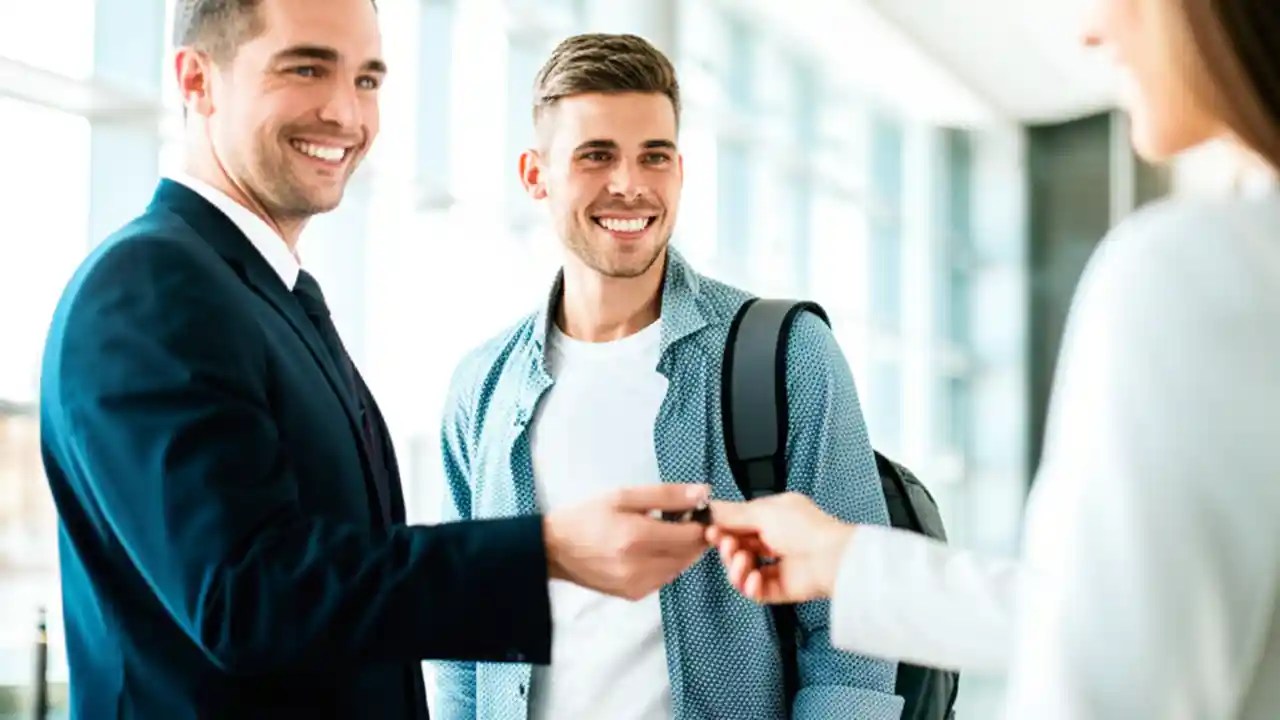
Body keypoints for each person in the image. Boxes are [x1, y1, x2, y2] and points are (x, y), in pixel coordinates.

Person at [39, 2, 710, 718]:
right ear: (196, 81)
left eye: (368, 79)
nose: (346, 113)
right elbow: (245, 598)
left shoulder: (269, 295)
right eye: (306, 68)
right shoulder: (146, 291)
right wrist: (546, 552)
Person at [708, 0, 1280, 717]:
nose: (1091, 28)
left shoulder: (1192, 272)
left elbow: (1105, 687)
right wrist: (846, 564)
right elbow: (1109, 612)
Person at [432, 33, 902, 720]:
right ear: (535, 174)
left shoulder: (784, 355)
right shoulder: (482, 388)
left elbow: (854, 627)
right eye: (596, 156)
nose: (630, 184)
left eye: (653, 156)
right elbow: (460, 629)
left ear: (679, 170)